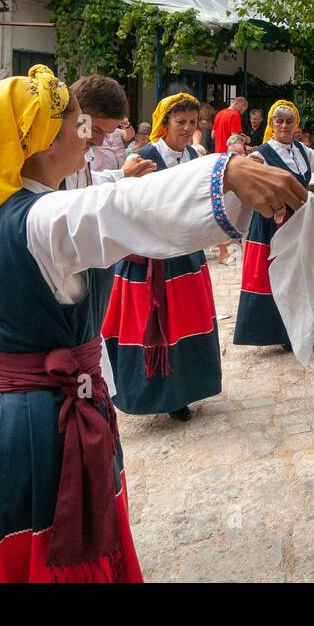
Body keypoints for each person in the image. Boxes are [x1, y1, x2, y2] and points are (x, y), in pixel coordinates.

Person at [0, 67, 306, 582]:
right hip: (28, 434)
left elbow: (108, 202)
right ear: (42, 137)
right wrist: (226, 174)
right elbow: (117, 208)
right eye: (75, 125)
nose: (86, 139)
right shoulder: (38, 218)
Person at [101, 93, 221, 422]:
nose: (186, 128)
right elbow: (124, 203)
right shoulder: (144, 157)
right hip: (150, 258)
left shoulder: (196, 156)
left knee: (187, 321)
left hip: (186, 256)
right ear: (164, 124)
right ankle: (148, 392)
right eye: (179, 122)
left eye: (192, 122)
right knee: (151, 326)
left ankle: (182, 392)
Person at [234, 101, 314, 349]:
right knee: (282, 273)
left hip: (299, 217)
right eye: (279, 121)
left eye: (289, 121)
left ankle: (309, 324)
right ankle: (281, 331)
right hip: (273, 223)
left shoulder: (301, 150)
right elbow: (251, 180)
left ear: (296, 124)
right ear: (272, 124)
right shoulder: (261, 154)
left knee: (303, 269)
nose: (284, 126)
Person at [63, 76, 157, 190]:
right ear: (74, 113)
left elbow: (88, 181)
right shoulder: (48, 158)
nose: (99, 142)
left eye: (107, 134)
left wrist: (124, 174)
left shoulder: (82, 154)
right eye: (95, 129)